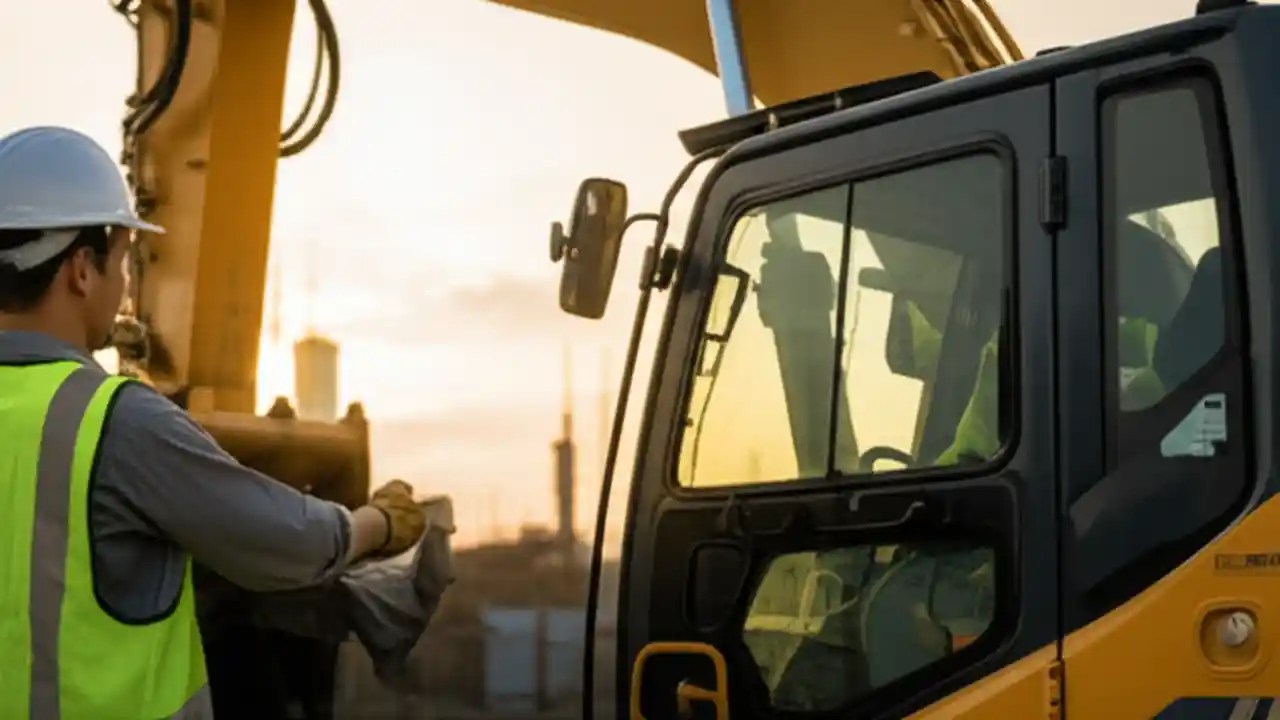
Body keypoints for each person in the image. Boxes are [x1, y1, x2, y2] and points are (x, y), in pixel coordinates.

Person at [0, 125, 426, 719]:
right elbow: (290, 543)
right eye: (124, 258)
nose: (126, 283)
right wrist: (378, 523)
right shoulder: (115, 423)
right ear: (81, 270)